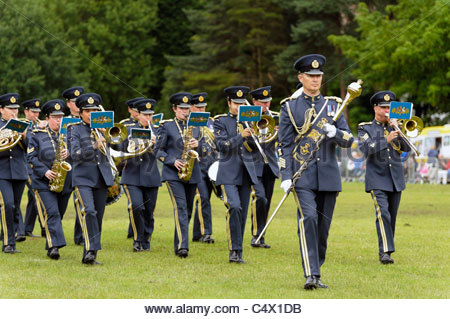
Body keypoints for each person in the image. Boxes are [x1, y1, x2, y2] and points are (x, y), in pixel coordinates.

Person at [278, 54, 354, 289]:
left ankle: (317, 267)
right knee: (308, 218)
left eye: (318, 76)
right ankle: (312, 275)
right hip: (302, 176)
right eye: (311, 76)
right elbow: (284, 145)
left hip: (329, 176)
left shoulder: (333, 105)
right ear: (301, 78)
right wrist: (285, 176)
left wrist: (335, 133)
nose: (315, 79)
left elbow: (349, 139)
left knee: (323, 230)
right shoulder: (289, 107)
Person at [358, 90, 410, 265]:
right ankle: (386, 253)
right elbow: (366, 149)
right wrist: (385, 139)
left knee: (392, 216)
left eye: (390, 107)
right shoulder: (365, 127)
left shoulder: (396, 126)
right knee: (383, 214)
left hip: (395, 178)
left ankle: (385, 250)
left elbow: (407, 148)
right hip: (376, 178)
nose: (387, 110)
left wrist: (399, 129)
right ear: (375, 108)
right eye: (384, 107)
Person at [67, 93, 114, 264]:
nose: (91, 113)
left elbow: (120, 145)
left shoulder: (104, 129)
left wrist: (108, 136)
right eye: (88, 110)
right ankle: (89, 251)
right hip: (82, 178)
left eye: (94, 110)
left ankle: (91, 252)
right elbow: (75, 154)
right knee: (89, 211)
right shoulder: (74, 129)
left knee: (98, 217)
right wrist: (95, 145)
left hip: (101, 178)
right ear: (81, 113)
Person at [214, 86, 259, 263]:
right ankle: (234, 250)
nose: (239, 106)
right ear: (229, 103)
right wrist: (241, 135)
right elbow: (222, 146)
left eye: (242, 103)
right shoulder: (221, 121)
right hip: (227, 173)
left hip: (246, 173)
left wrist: (258, 135)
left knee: (242, 212)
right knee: (234, 207)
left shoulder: (251, 121)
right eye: (236, 103)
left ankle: (238, 252)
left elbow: (257, 149)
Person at [154, 92, 201, 258]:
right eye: (182, 108)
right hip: (173, 174)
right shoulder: (166, 126)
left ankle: (179, 241)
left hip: (192, 172)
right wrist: (172, 160)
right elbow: (158, 150)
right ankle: (183, 247)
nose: (185, 111)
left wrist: (198, 145)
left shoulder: (196, 126)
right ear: (174, 108)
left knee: (187, 210)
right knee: (180, 207)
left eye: (187, 108)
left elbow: (207, 150)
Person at [27, 100, 72, 259]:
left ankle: (51, 244)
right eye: (55, 117)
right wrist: (45, 171)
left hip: (64, 182)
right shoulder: (37, 135)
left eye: (61, 116)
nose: (59, 120)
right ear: (47, 118)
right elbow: (31, 157)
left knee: (58, 214)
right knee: (52, 213)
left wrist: (70, 153)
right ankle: (55, 247)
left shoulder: (68, 135)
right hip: (43, 181)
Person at [120, 98, 161, 252]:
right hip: (131, 175)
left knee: (149, 211)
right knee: (137, 206)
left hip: (151, 175)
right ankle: (137, 240)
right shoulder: (128, 130)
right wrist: (137, 144)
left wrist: (157, 144)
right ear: (138, 115)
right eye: (145, 115)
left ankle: (146, 240)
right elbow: (121, 149)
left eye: (151, 115)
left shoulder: (158, 131)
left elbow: (163, 152)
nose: (148, 118)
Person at [248, 86, 279, 248]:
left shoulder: (276, 118)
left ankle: (261, 235)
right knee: (259, 198)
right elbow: (246, 142)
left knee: (267, 202)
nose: (266, 106)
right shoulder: (248, 118)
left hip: (270, 166)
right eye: (262, 102)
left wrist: (279, 132)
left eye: (268, 102)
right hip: (254, 165)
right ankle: (255, 234)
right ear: (254, 102)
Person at [0, 93, 28, 253]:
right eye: (10, 109)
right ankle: (8, 243)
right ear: (1, 109)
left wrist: (24, 137)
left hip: (19, 171)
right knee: (7, 205)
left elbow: (29, 148)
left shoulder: (20, 125)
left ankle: (9, 236)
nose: (14, 112)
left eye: (16, 109)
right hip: (2, 172)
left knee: (15, 207)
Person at [191, 92, 216, 244]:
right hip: (196, 167)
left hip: (211, 166)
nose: (201, 110)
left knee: (204, 199)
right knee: (203, 198)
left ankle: (197, 233)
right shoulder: (188, 124)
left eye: (203, 107)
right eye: (198, 108)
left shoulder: (212, 122)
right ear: (191, 108)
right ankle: (205, 233)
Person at [62, 86, 84, 246]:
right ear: (68, 104)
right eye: (74, 102)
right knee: (61, 202)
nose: (77, 105)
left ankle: (81, 235)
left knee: (82, 202)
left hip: (82, 165)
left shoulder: (91, 122)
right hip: (66, 165)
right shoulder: (60, 119)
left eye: (79, 102)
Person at [22, 98, 45, 238]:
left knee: (32, 197)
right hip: (23, 164)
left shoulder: (40, 125)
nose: (36, 115)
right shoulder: (21, 124)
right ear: (26, 111)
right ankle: (45, 227)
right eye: (33, 112)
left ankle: (27, 229)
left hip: (34, 165)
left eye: (37, 112)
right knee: (38, 194)